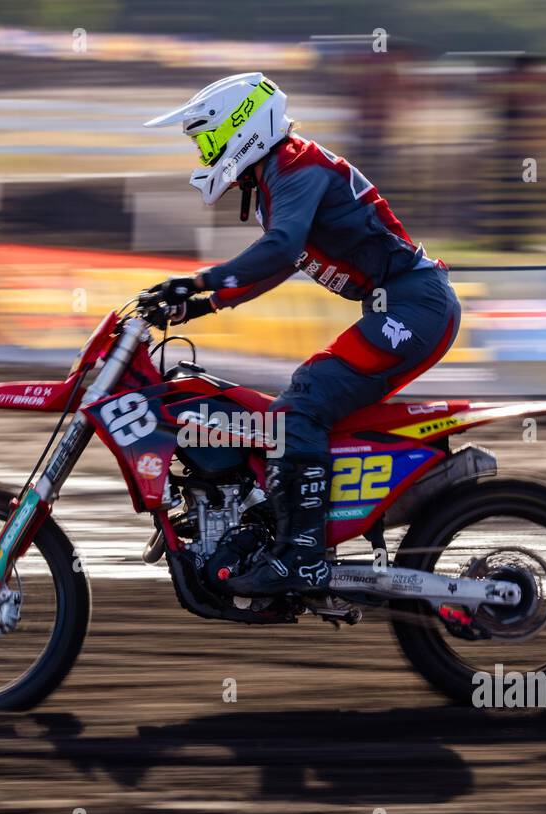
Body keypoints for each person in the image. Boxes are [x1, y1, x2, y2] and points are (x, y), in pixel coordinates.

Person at [141, 72, 461, 597]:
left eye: (205, 139)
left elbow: (279, 248)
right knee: (305, 397)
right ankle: (290, 529)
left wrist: (196, 280)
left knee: (301, 403)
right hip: (404, 303)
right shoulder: (278, 176)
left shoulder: (293, 166)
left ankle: (302, 557)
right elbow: (276, 265)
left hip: (416, 304)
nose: (202, 152)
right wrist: (198, 307)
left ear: (238, 127)